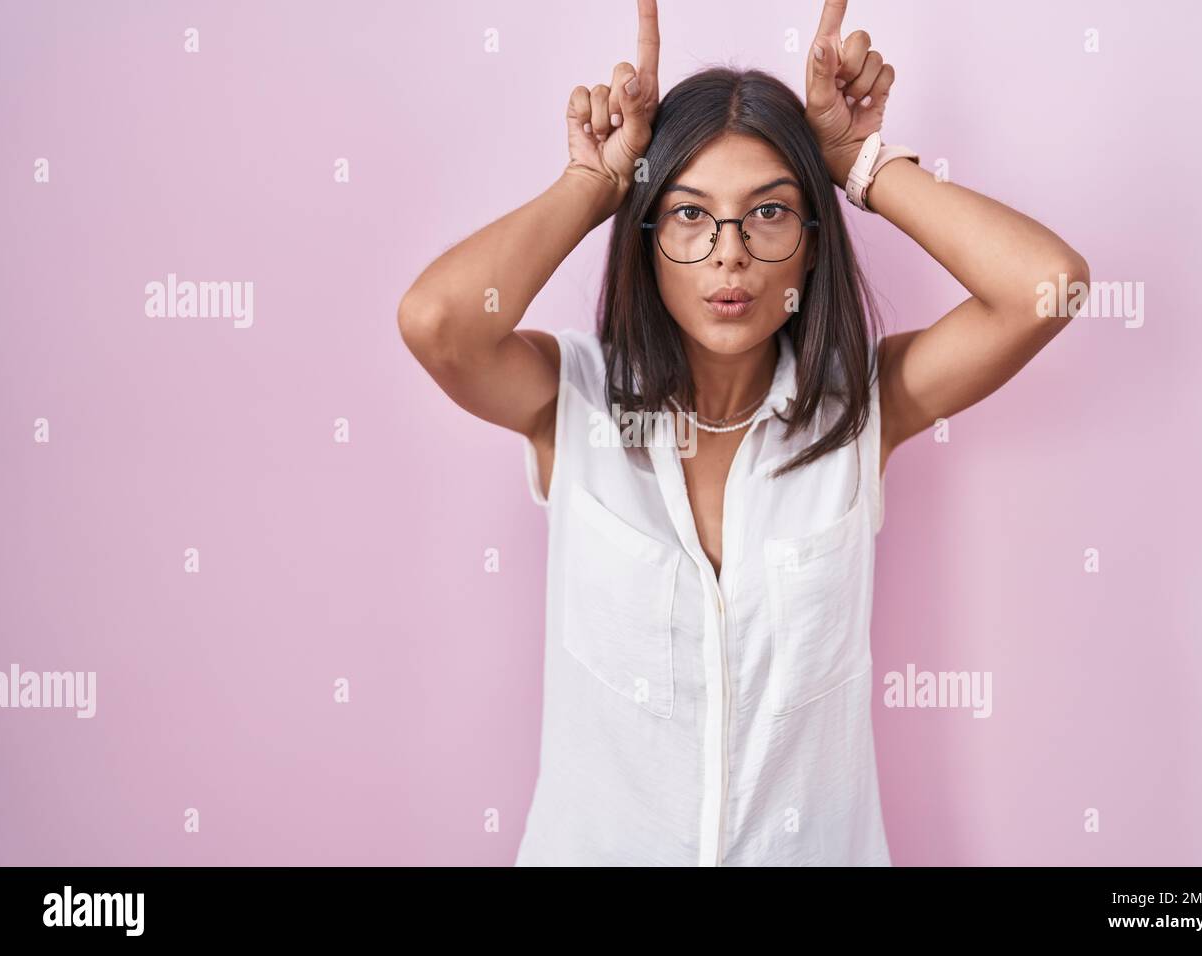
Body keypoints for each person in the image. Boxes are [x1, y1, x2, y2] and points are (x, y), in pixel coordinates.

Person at [397, 0, 1088, 866]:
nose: (730, 254)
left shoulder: (863, 408)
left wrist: (858, 162)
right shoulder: (568, 399)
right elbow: (435, 321)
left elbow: (1047, 286)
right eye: (688, 214)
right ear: (646, 239)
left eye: (768, 214)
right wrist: (597, 185)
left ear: (810, 243)